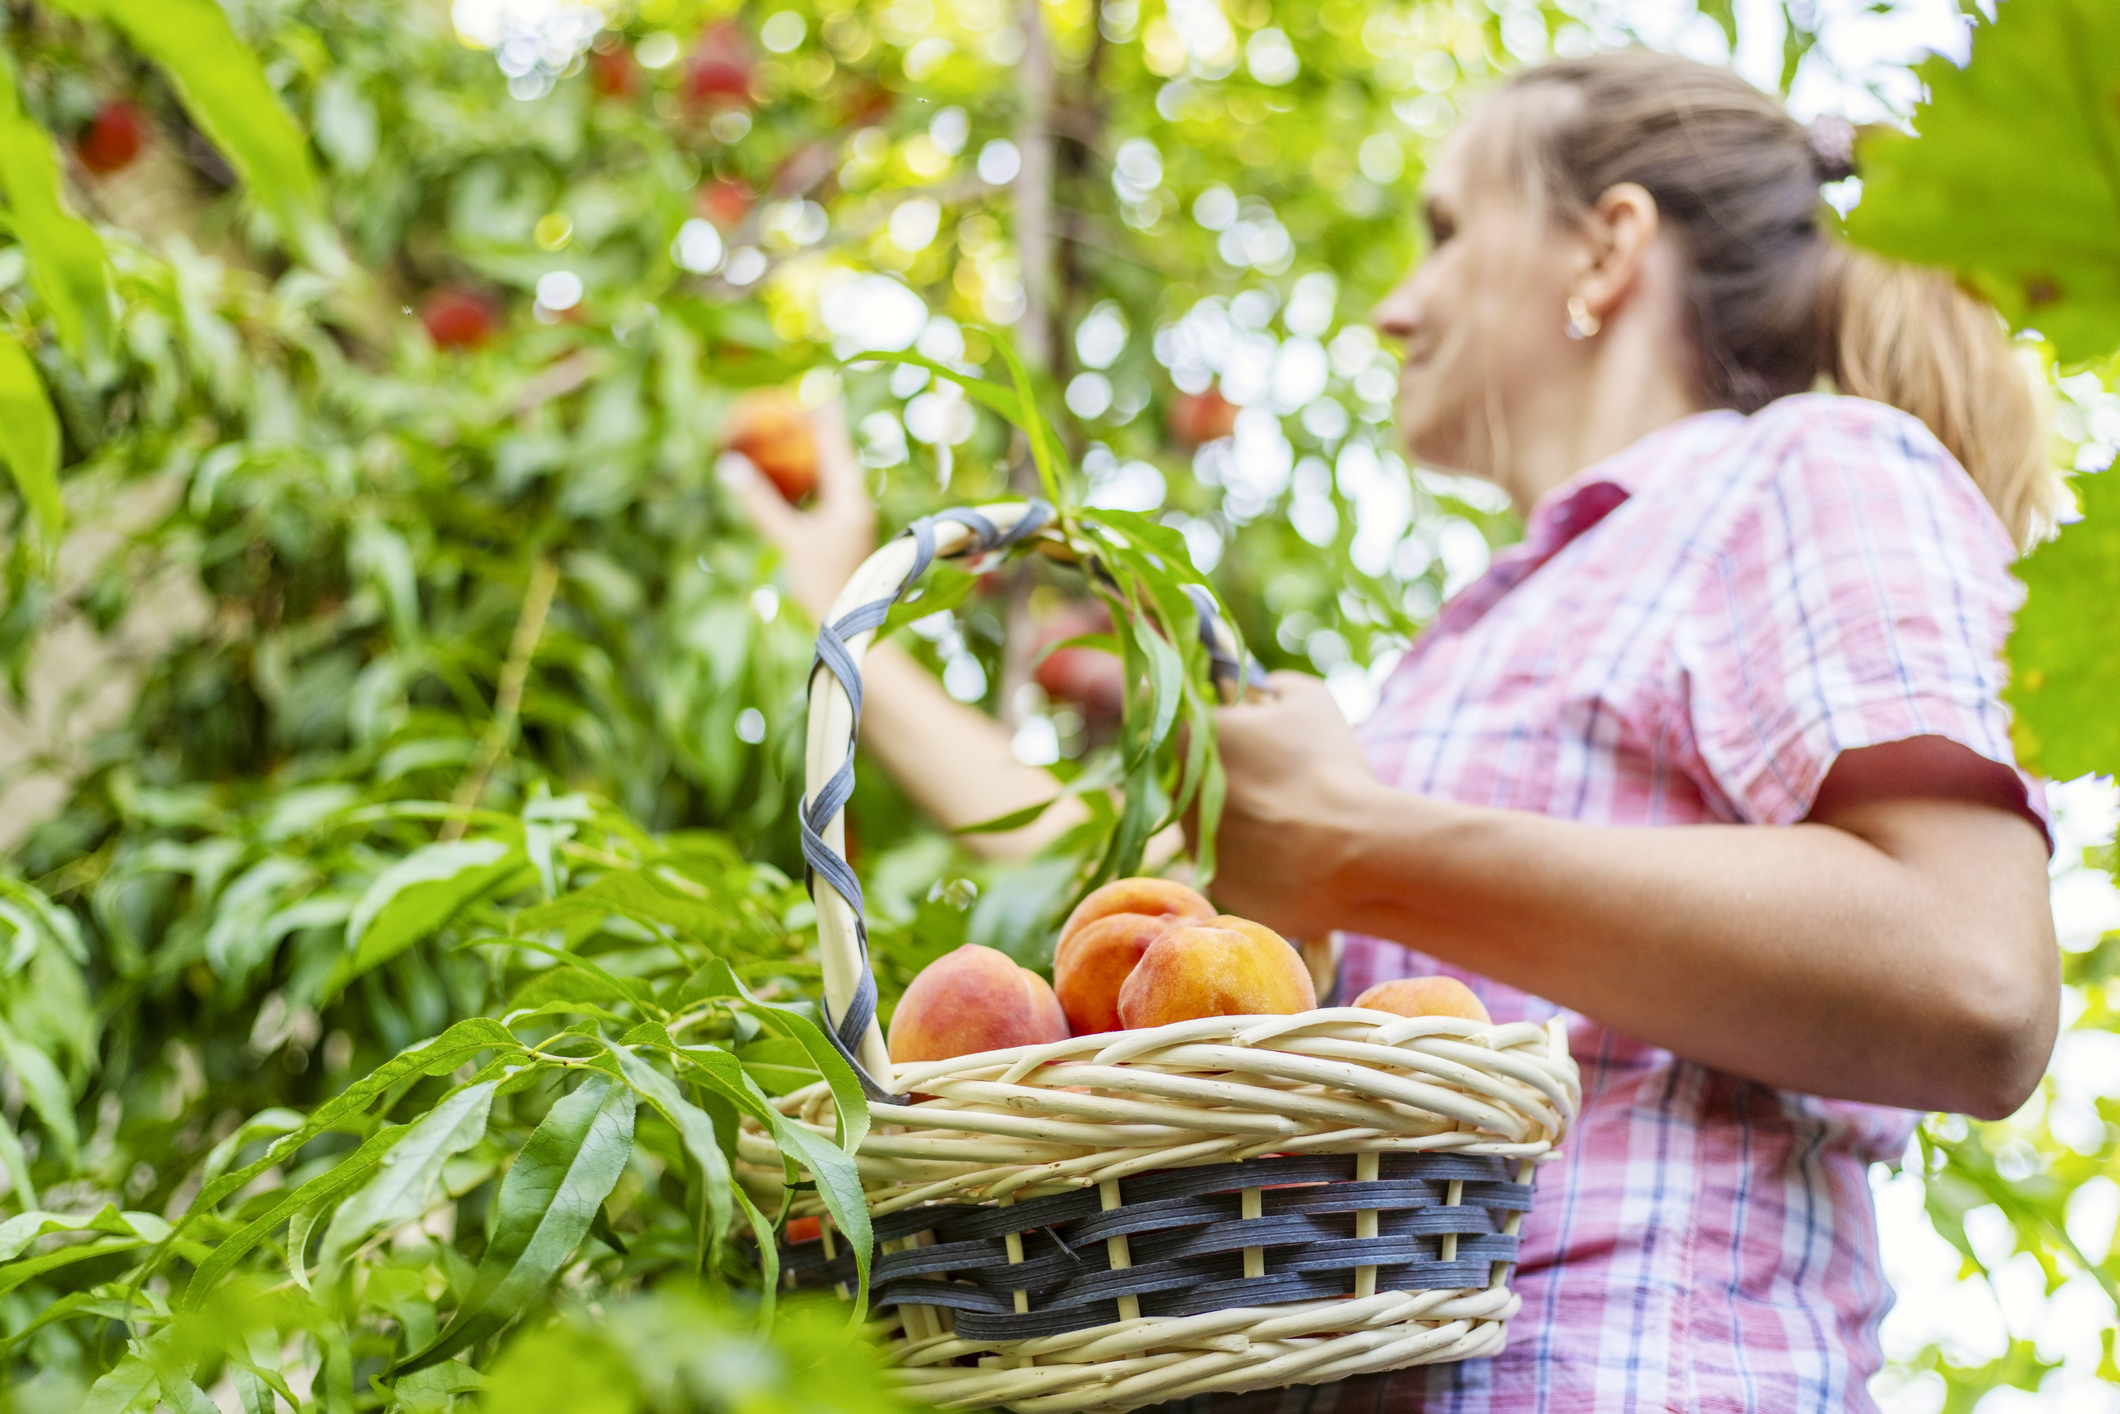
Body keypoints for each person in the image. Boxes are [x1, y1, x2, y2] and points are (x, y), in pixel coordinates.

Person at [727, 49, 2061, 1414]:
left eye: (1444, 231)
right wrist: (844, 626)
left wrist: (1357, 843)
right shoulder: (1465, 653)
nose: (1390, 307)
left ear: (1605, 249)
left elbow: (1973, 975)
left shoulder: (1805, 466)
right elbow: (1141, 909)